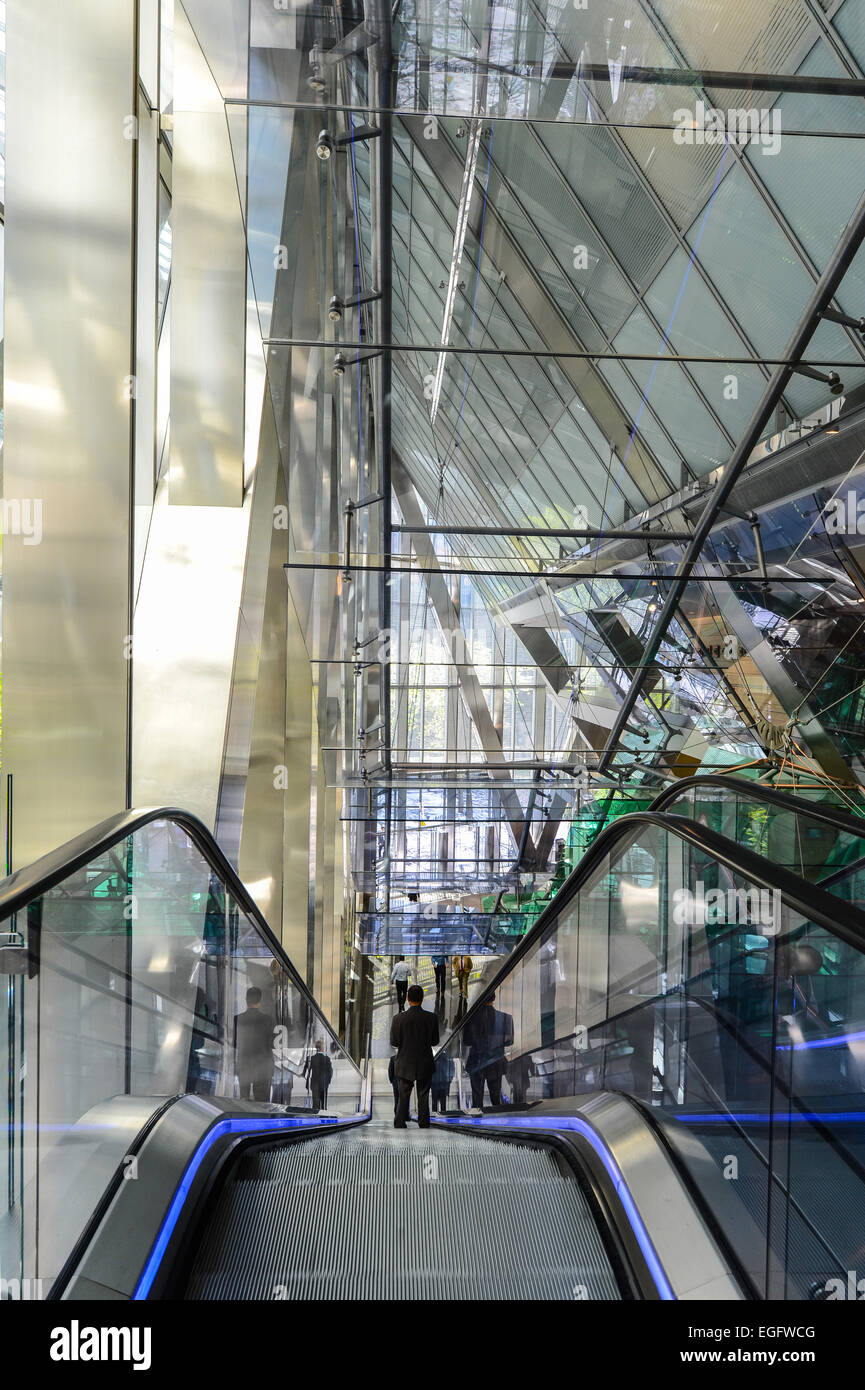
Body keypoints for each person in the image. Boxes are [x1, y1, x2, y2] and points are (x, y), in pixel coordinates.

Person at [389, 984, 439, 1129]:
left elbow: (394, 1042)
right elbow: (435, 1041)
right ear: (422, 999)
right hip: (425, 1061)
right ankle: (424, 1122)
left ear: (407, 998)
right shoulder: (431, 1018)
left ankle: (399, 1121)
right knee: (423, 1094)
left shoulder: (398, 1018)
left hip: (404, 1062)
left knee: (403, 1095)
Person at [464, 992, 514, 1111]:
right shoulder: (506, 1018)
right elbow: (509, 1041)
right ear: (494, 998)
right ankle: (497, 1121)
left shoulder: (471, 1018)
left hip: (476, 1061)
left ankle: (477, 1122)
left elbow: (467, 1041)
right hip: (496, 1062)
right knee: (495, 1097)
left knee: (477, 1098)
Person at [234, 985, 274, 1101]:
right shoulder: (268, 1020)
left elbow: (234, 1043)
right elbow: (272, 1043)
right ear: (260, 1001)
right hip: (263, 1068)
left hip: (244, 1065)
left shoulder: (237, 1019)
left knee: (244, 1101)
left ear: (246, 1000)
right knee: (262, 1104)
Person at [304, 1039, 333, 1111]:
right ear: (322, 1048)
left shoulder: (311, 1059)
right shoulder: (327, 1059)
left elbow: (306, 1071)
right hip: (324, 1084)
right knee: (323, 1104)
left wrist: (308, 1082)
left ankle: (315, 1119)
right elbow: (330, 1072)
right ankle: (323, 1118)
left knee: (315, 1105)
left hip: (315, 1084)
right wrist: (328, 1082)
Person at [431, 1048, 455, 1114]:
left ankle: (435, 1117)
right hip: (442, 1083)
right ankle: (441, 1116)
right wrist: (449, 1080)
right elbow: (452, 1070)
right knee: (442, 1104)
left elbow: (452, 1070)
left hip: (436, 1083)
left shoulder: (434, 1058)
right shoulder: (447, 1057)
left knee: (435, 1104)